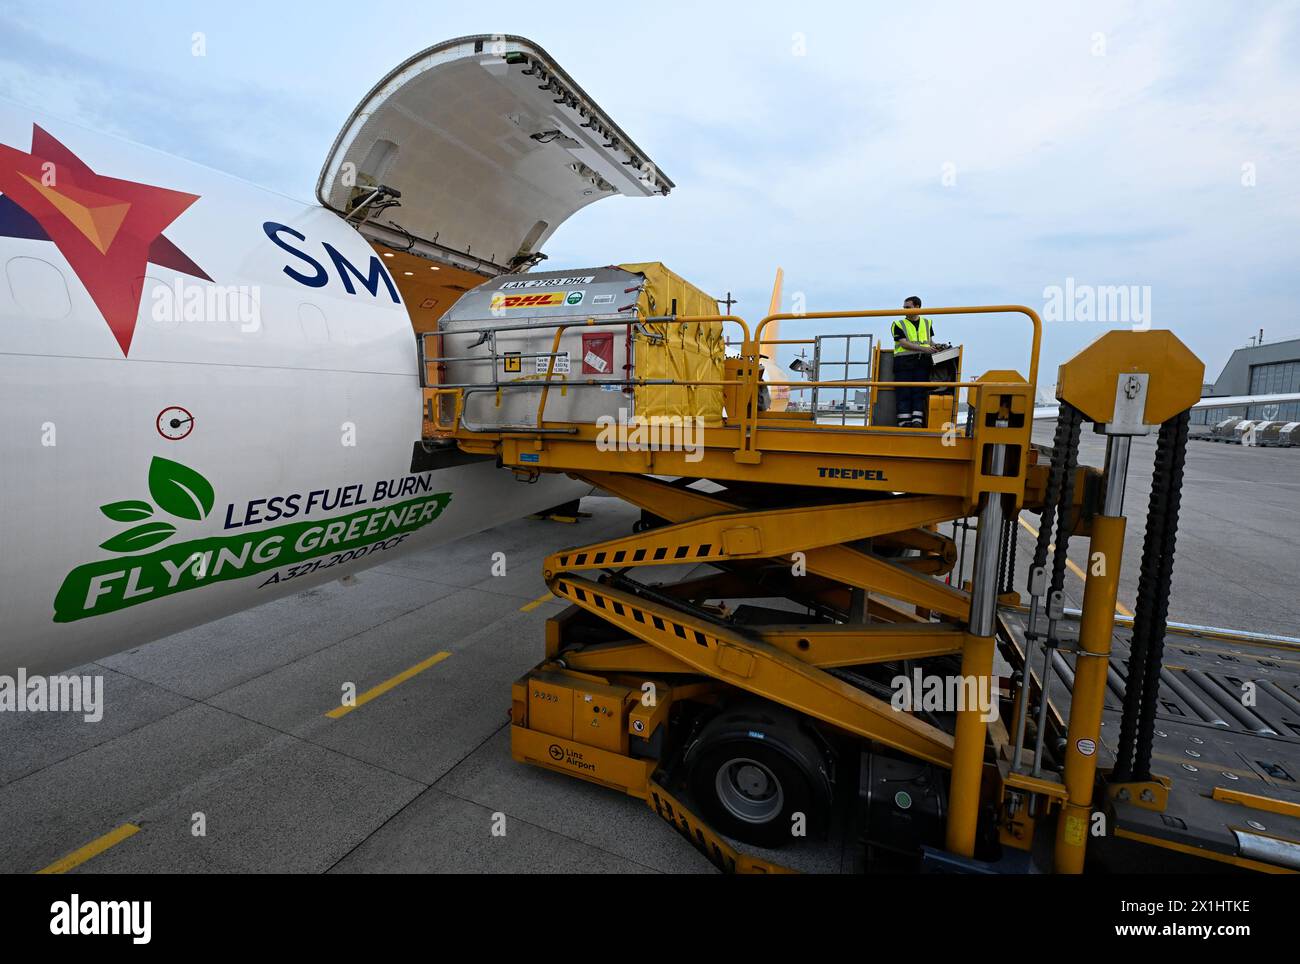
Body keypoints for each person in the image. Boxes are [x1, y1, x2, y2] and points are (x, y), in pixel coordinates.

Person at [891, 296, 937, 427]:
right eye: (904, 307)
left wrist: (937, 346)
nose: (904, 310)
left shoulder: (927, 323)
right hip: (903, 363)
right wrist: (925, 349)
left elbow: (930, 341)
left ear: (917, 307)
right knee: (904, 393)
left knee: (919, 392)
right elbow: (904, 344)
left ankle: (917, 421)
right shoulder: (898, 324)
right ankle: (904, 422)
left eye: (907, 307)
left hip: (922, 363)